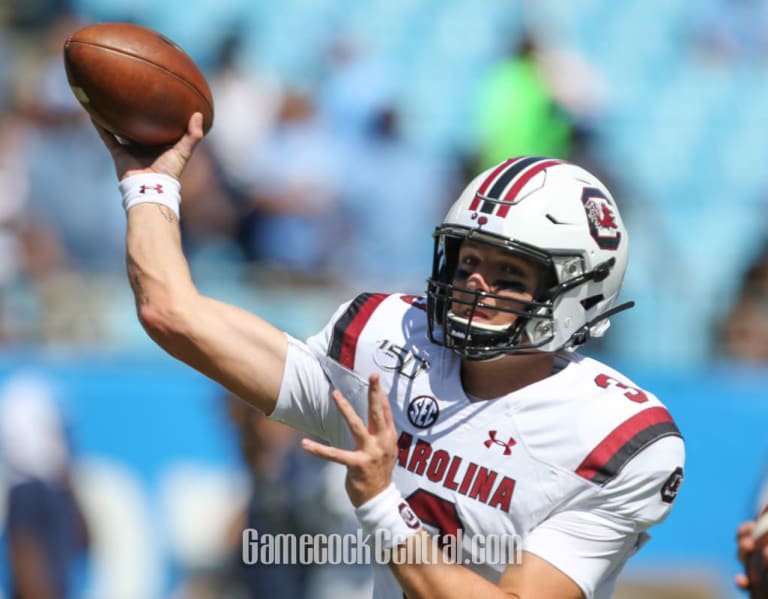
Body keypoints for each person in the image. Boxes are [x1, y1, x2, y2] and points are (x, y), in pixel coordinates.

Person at [91, 112, 685, 599]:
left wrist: (381, 504)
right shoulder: (388, 340)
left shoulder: (618, 438)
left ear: (577, 294)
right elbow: (172, 313)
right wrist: (150, 183)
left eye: (509, 274)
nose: (475, 284)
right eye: (468, 261)